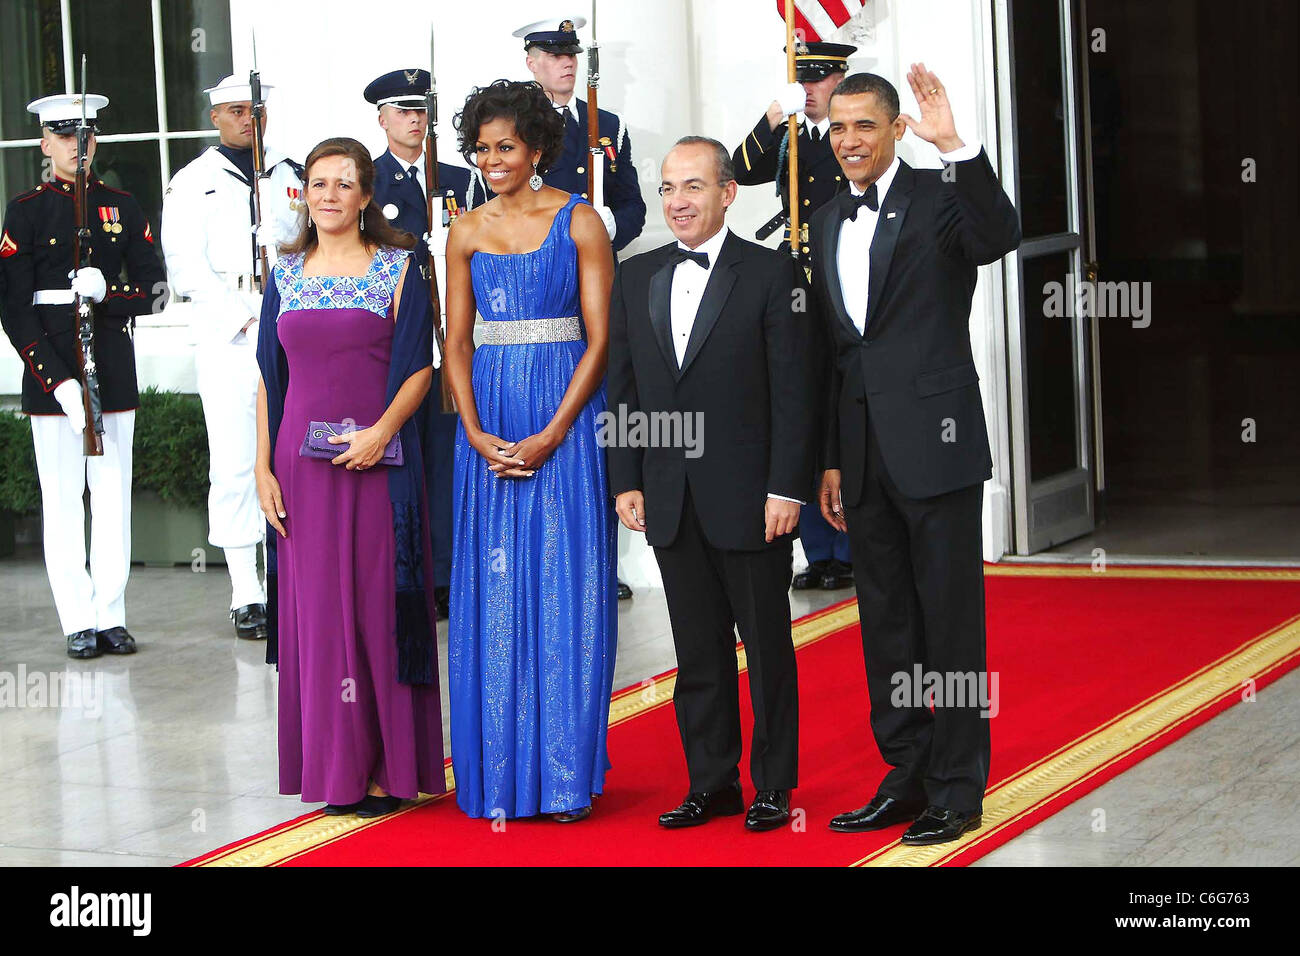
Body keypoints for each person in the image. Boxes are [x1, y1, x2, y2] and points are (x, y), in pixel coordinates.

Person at [810, 68, 1020, 846]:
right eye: (839, 127)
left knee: (950, 627)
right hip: (862, 459)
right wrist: (831, 458)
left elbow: (999, 237)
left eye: (864, 125)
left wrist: (957, 148)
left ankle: (959, 787)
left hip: (938, 449)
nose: (850, 141)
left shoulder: (939, 198)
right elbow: (838, 352)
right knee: (887, 626)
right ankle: (906, 772)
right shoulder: (828, 218)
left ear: (897, 129)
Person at [607, 137, 819, 831]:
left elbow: (796, 391)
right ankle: (712, 782)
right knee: (696, 653)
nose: (678, 202)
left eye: (693, 187)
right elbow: (625, 389)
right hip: (669, 496)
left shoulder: (772, 272)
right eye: (668, 188)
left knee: (765, 647)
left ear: (728, 193)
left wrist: (788, 487)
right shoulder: (635, 278)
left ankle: (773, 786)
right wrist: (627, 477)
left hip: (753, 497)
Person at [254, 137, 445, 818]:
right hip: (299, 471)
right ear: (303, 193)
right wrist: (261, 468)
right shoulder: (285, 273)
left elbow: (421, 368)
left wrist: (382, 433)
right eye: (317, 183)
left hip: (380, 462)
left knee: (376, 609)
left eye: (343, 184)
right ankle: (335, 768)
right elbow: (268, 380)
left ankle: (387, 769)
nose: (328, 195)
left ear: (366, 195)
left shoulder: (399, 269)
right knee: (319, 617)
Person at [444, 79, 617, 823]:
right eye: (482, 149)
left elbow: (602, 339)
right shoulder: (463, 229)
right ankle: (499, 773)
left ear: (538, 146)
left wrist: (551, 432)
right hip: (486, 420)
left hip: (566, 417)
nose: (493, 160)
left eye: (506, 146)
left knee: (564, 580)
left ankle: (562, 777)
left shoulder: (581, 221)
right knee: (493, 589)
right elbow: (453, 340)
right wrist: (474, 428)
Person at [0, 93, 165, 659]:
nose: (77, 146)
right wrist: (59, 383)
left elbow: (155, 290)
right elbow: (14, 308)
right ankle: (77, 617)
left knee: (113, 495)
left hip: (112, 371)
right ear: (46, 145)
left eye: (86, 136)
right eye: (65, 137)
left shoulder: (121, 204)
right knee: (64, 500)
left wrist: (109, 293)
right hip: (53, 378)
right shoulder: (24, 211)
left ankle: (111, 614)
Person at [161, 74, 304, 641]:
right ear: (217, 116)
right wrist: (245, 319)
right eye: (238, 111)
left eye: (257, 110)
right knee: (237, 460)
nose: (249, 120)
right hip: (230, 333)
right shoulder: (193, 181)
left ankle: (286, 580)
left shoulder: (291, 175)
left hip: (291, 326)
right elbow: (185, 266)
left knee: (292, 454)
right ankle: (246, 591)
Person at [732, 39, 856, 594]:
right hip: (796, 278)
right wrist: (773, 116)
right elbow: (737, 171)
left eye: (819, 79)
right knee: (798, 398)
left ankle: (848, 542)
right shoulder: (791, 136)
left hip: (839, 276)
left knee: (841, 402)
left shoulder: (848, 139)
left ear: (841, 79)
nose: (808, 88)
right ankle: (817, 548)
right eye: (801, 79)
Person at [363, 67, 486, 621]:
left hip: (454, 332)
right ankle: (403, 572)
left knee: (448, 454)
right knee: (401, 455)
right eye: (403, 111)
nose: (415, 120)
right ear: (382, 119)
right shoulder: (370, 182)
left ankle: (447, 573)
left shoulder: (462, 180)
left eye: (421, 110)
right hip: (397, 334)